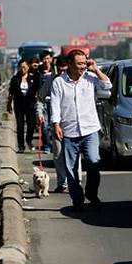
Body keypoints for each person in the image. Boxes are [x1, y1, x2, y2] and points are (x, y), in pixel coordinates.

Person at [51, 50, 112, 211]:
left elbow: (108, 85)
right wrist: (56, 124)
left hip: (90, 129)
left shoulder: (90, 79)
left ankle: (91, 193)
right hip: (69, 131)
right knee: (71, 169)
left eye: (84, 63)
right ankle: (77, 199)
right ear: (69, 64)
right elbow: (55, 105)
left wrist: (96, 70)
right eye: (79, 64)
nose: (82, 67)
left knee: (93, 162)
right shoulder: (59, 82)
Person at [37, 55, 78, 193]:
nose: (62, 73)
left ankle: (76, 181)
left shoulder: (76, 80)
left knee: (74, 155)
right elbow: (40, 98)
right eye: (59, 70)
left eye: (64, 70)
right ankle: (62, 183)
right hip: (57, 124)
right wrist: (40, 114)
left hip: (73, 124)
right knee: (59, 154)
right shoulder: (51, 81)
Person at [8, 59, 39, 153]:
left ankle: (29, 140)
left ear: (28, 67)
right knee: (20, 125)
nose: (23, 69)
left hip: (30, 104)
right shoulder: (15, 79)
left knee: (31, 124)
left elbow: (37, 90)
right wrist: (9, 104)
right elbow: (11, 93)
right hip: (19, 104)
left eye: (24, 67)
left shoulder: (33, 78)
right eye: (21, 67)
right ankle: (21, 146)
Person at [36, 50, 56, 153]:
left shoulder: (55, 71)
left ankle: (55, 145)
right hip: (43, 102)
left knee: (54, 124)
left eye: (48, 58)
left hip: (54, 102)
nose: (46, 61)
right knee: (45, 125)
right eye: (44, 59)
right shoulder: (39, 72)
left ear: (51, 59)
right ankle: (47, 146)